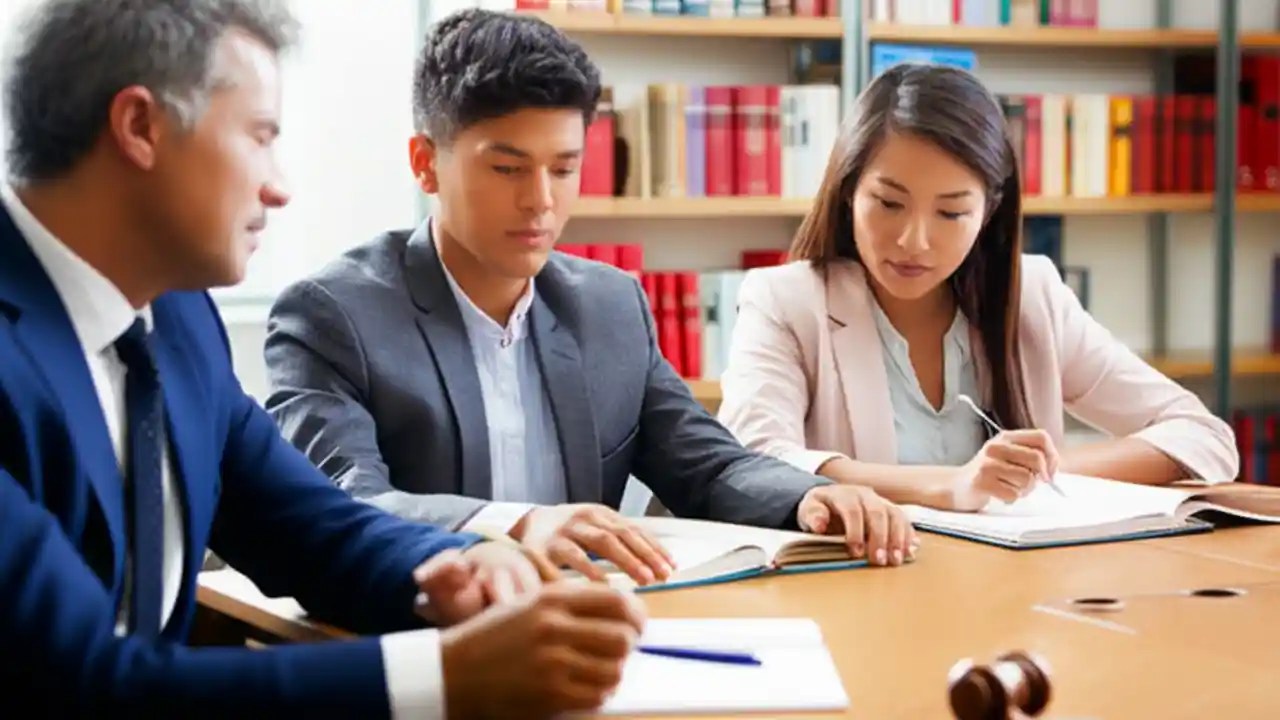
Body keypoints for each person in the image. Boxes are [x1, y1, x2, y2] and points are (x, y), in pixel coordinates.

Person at [0, 2, 648, 717]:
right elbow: (78, 683)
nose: (279, 187)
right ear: (140, 127)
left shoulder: (176, 317)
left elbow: (306, 523)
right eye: (259, 137)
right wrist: (442, 677)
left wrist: (456, 568)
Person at [263, 8, 917, 579]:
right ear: (425, 161)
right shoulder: (332, 316)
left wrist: (805, 497)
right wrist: (515, 526)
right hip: (423, 641)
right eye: (508, 168)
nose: (541, 201)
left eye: (564, 167)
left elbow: (707, 467)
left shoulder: (608, 306)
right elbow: (348, 506)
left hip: (592, 632)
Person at [715, 63, 1240, 514]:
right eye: (889, 203)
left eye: (951, 212)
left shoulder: (1031, 294)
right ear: (850, 190)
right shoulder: (786, 301)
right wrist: (950, 484)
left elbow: (1203, 437)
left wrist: (1037, 473)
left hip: (1012, 596)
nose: (913, 240)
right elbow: (754, 465)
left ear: (988, 213)